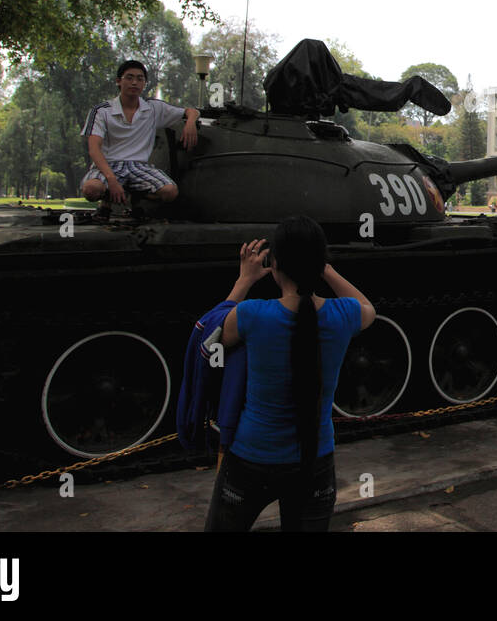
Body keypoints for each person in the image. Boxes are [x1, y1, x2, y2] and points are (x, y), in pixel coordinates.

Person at [205, 216, 375, 532]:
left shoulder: (252, 314)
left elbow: (211, 334)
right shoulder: (344, 315)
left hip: (251, 459)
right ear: (319, 261)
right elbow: (367, 307)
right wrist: (326, 268)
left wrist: (244, 279)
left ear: (275, 263)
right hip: (315, 461)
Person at [81, 60, 199, 213]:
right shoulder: (101, 111)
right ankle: (107, 200)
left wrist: (190, 123)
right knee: (91, 189)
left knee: (170, 191)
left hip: (138, 166)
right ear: (118, 81)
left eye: (139, 79)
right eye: (129, 78)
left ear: (144, 83)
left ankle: (136, 197)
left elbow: (192, 111)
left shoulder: (153, 108)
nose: (134, 83)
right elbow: (94, 149)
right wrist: (112, 180)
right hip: (109, 164)